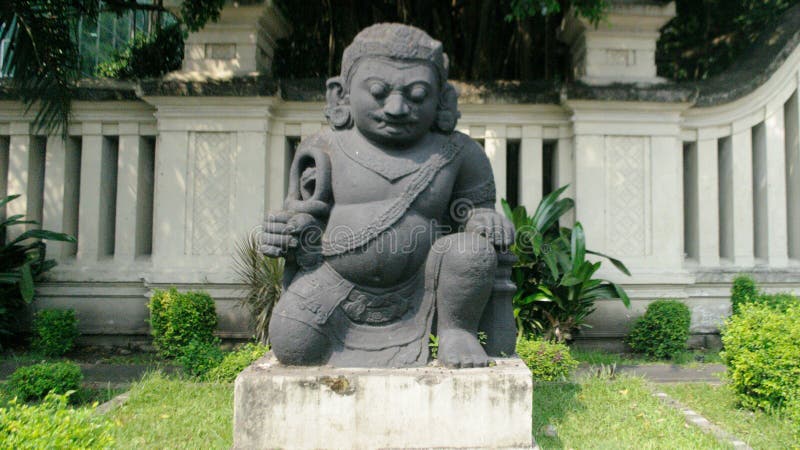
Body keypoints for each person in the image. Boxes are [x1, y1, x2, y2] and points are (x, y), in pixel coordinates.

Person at [260, 23, 516, 368]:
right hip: (338, 283)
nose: (396, 108)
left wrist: (483, 219)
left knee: (471, 251)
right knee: (293, 343)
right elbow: (305, 215)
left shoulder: (458, 153)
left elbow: (471, 212)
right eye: (378, 91)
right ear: (342, 94)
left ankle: (457, 331)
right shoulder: (325, 148)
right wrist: (286, 230)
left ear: (442, 98)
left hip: (425, 284)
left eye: (417, 95)